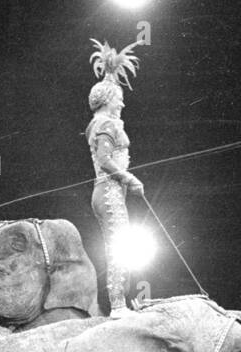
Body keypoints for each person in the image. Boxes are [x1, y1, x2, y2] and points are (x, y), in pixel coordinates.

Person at [86, 39, 144, 313]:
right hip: (109, 191)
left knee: (119, 246)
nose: (122, 103)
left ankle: (122, 302)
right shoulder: (106, 123)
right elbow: (105, 159)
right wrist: (129, 178)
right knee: (118, 247)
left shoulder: (100, 123)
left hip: (108, 192)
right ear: (108, 100)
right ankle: (119, 305)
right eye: (119, 98)